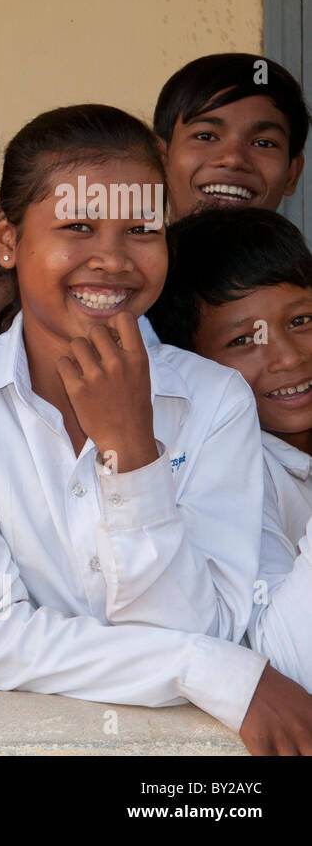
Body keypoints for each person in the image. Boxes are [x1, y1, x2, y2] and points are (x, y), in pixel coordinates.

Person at [0, 103, 312, 755]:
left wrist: (133, 453)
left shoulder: (214, 399)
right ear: (6, 237)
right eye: (79, 226)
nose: (113, 260)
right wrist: (211, 672)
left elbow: (207, 625)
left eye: (142, 228)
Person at [148, 206, 312, 693]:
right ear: (195, 370)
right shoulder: (236, 475)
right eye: (244, 340)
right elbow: (293, 665)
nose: (287, 356)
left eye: (301, 319)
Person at [154, 52, 308, 220]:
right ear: (160, 159)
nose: (233, 159)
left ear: (292, 173)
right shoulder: (124, 247)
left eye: (263, 143)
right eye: (205, 136)